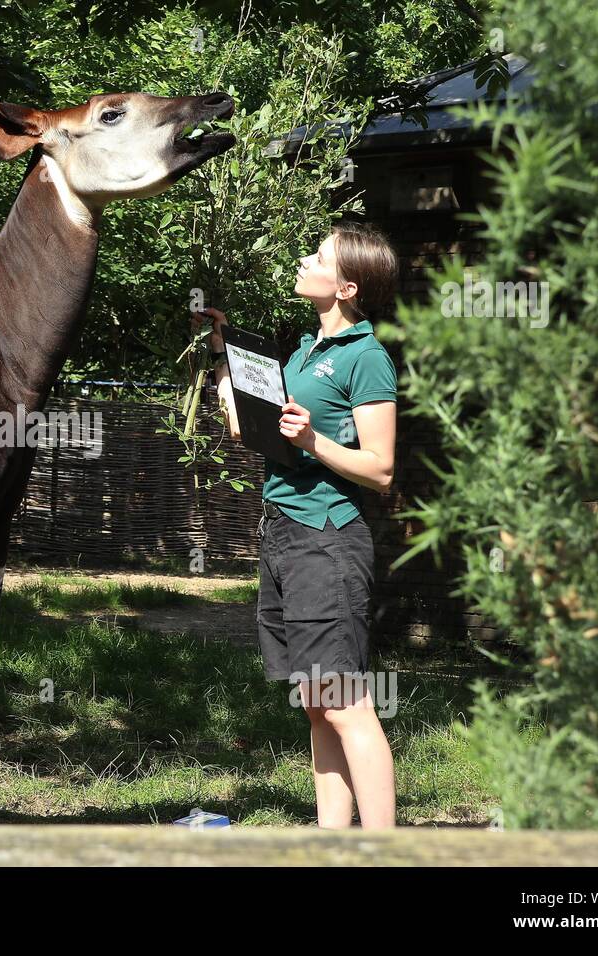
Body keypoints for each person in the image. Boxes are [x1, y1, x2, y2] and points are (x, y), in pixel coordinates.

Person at [197, 222, 399, 829]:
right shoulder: (303, 351)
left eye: (318, 256)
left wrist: (313, 439)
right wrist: (222, 359)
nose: (303, 259)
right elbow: (253, 433)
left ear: (346, 286)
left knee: (347, 704)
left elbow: (381, 469)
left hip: (328, 540)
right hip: (283, 532)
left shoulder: (366, 357)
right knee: (316, 704)